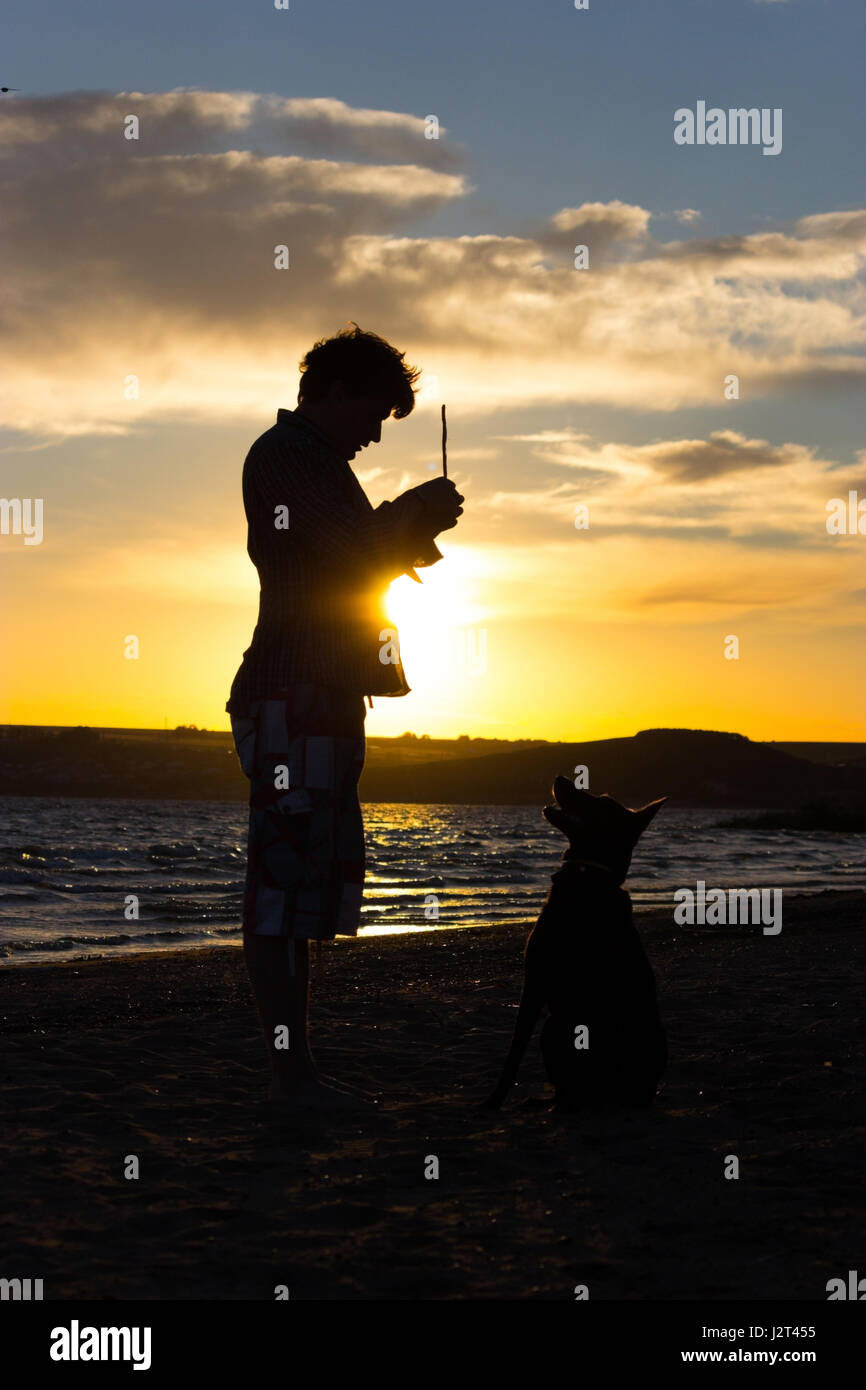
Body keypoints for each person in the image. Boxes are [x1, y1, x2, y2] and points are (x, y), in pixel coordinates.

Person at [226, 323, 464, 1110]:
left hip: (315, 696)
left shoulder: (312, 460)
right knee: (283, 891)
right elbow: (351, 553)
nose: (374, 432)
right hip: (293, 694)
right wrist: (413, 511)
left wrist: (410, 528)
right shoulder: (287, 456)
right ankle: (291, 1078)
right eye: (373, 411)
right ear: (333, 390)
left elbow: (356, 556)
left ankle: (298, 1074)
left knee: (303, 892)